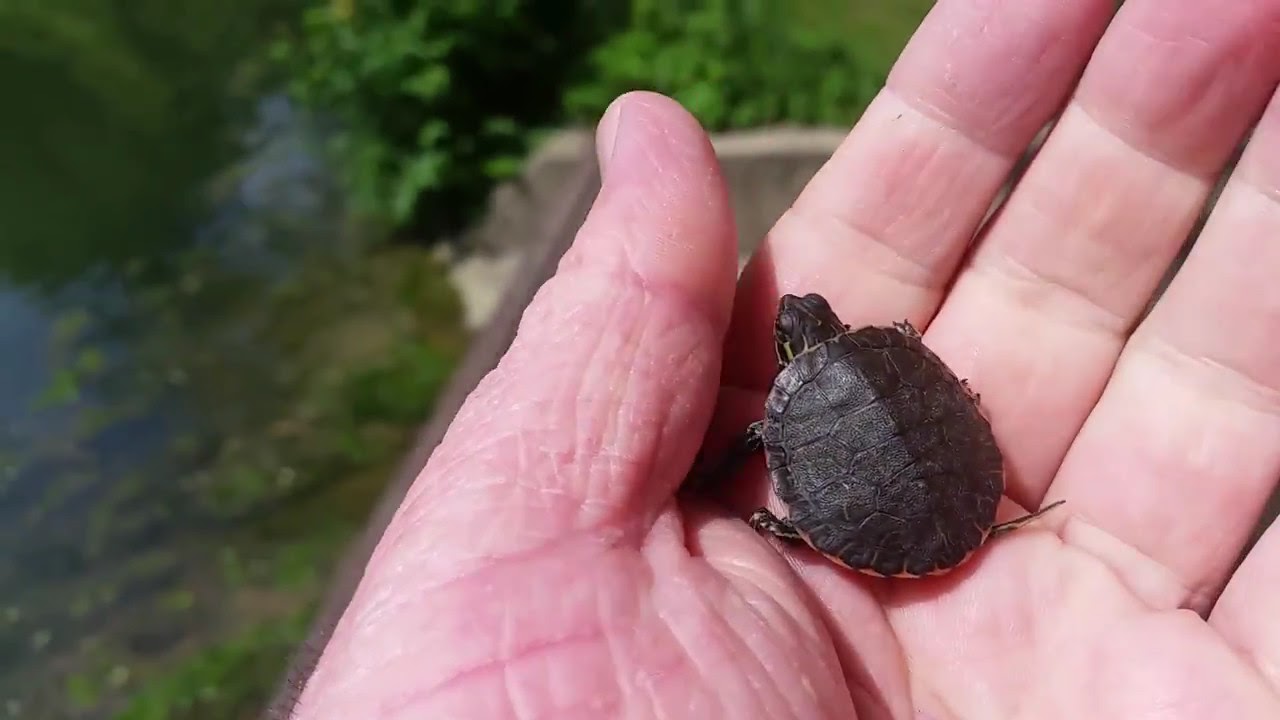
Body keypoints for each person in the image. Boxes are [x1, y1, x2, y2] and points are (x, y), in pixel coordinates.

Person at [286, 1, 1280, 717]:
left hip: (897, 469)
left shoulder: (793, 400)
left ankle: (796, 534)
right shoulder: (881, 354)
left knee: (794, 482)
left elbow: (806, 430)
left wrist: (736, 503)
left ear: (782, 344)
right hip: (951, 486)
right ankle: (800, 532)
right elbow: (930, 395)